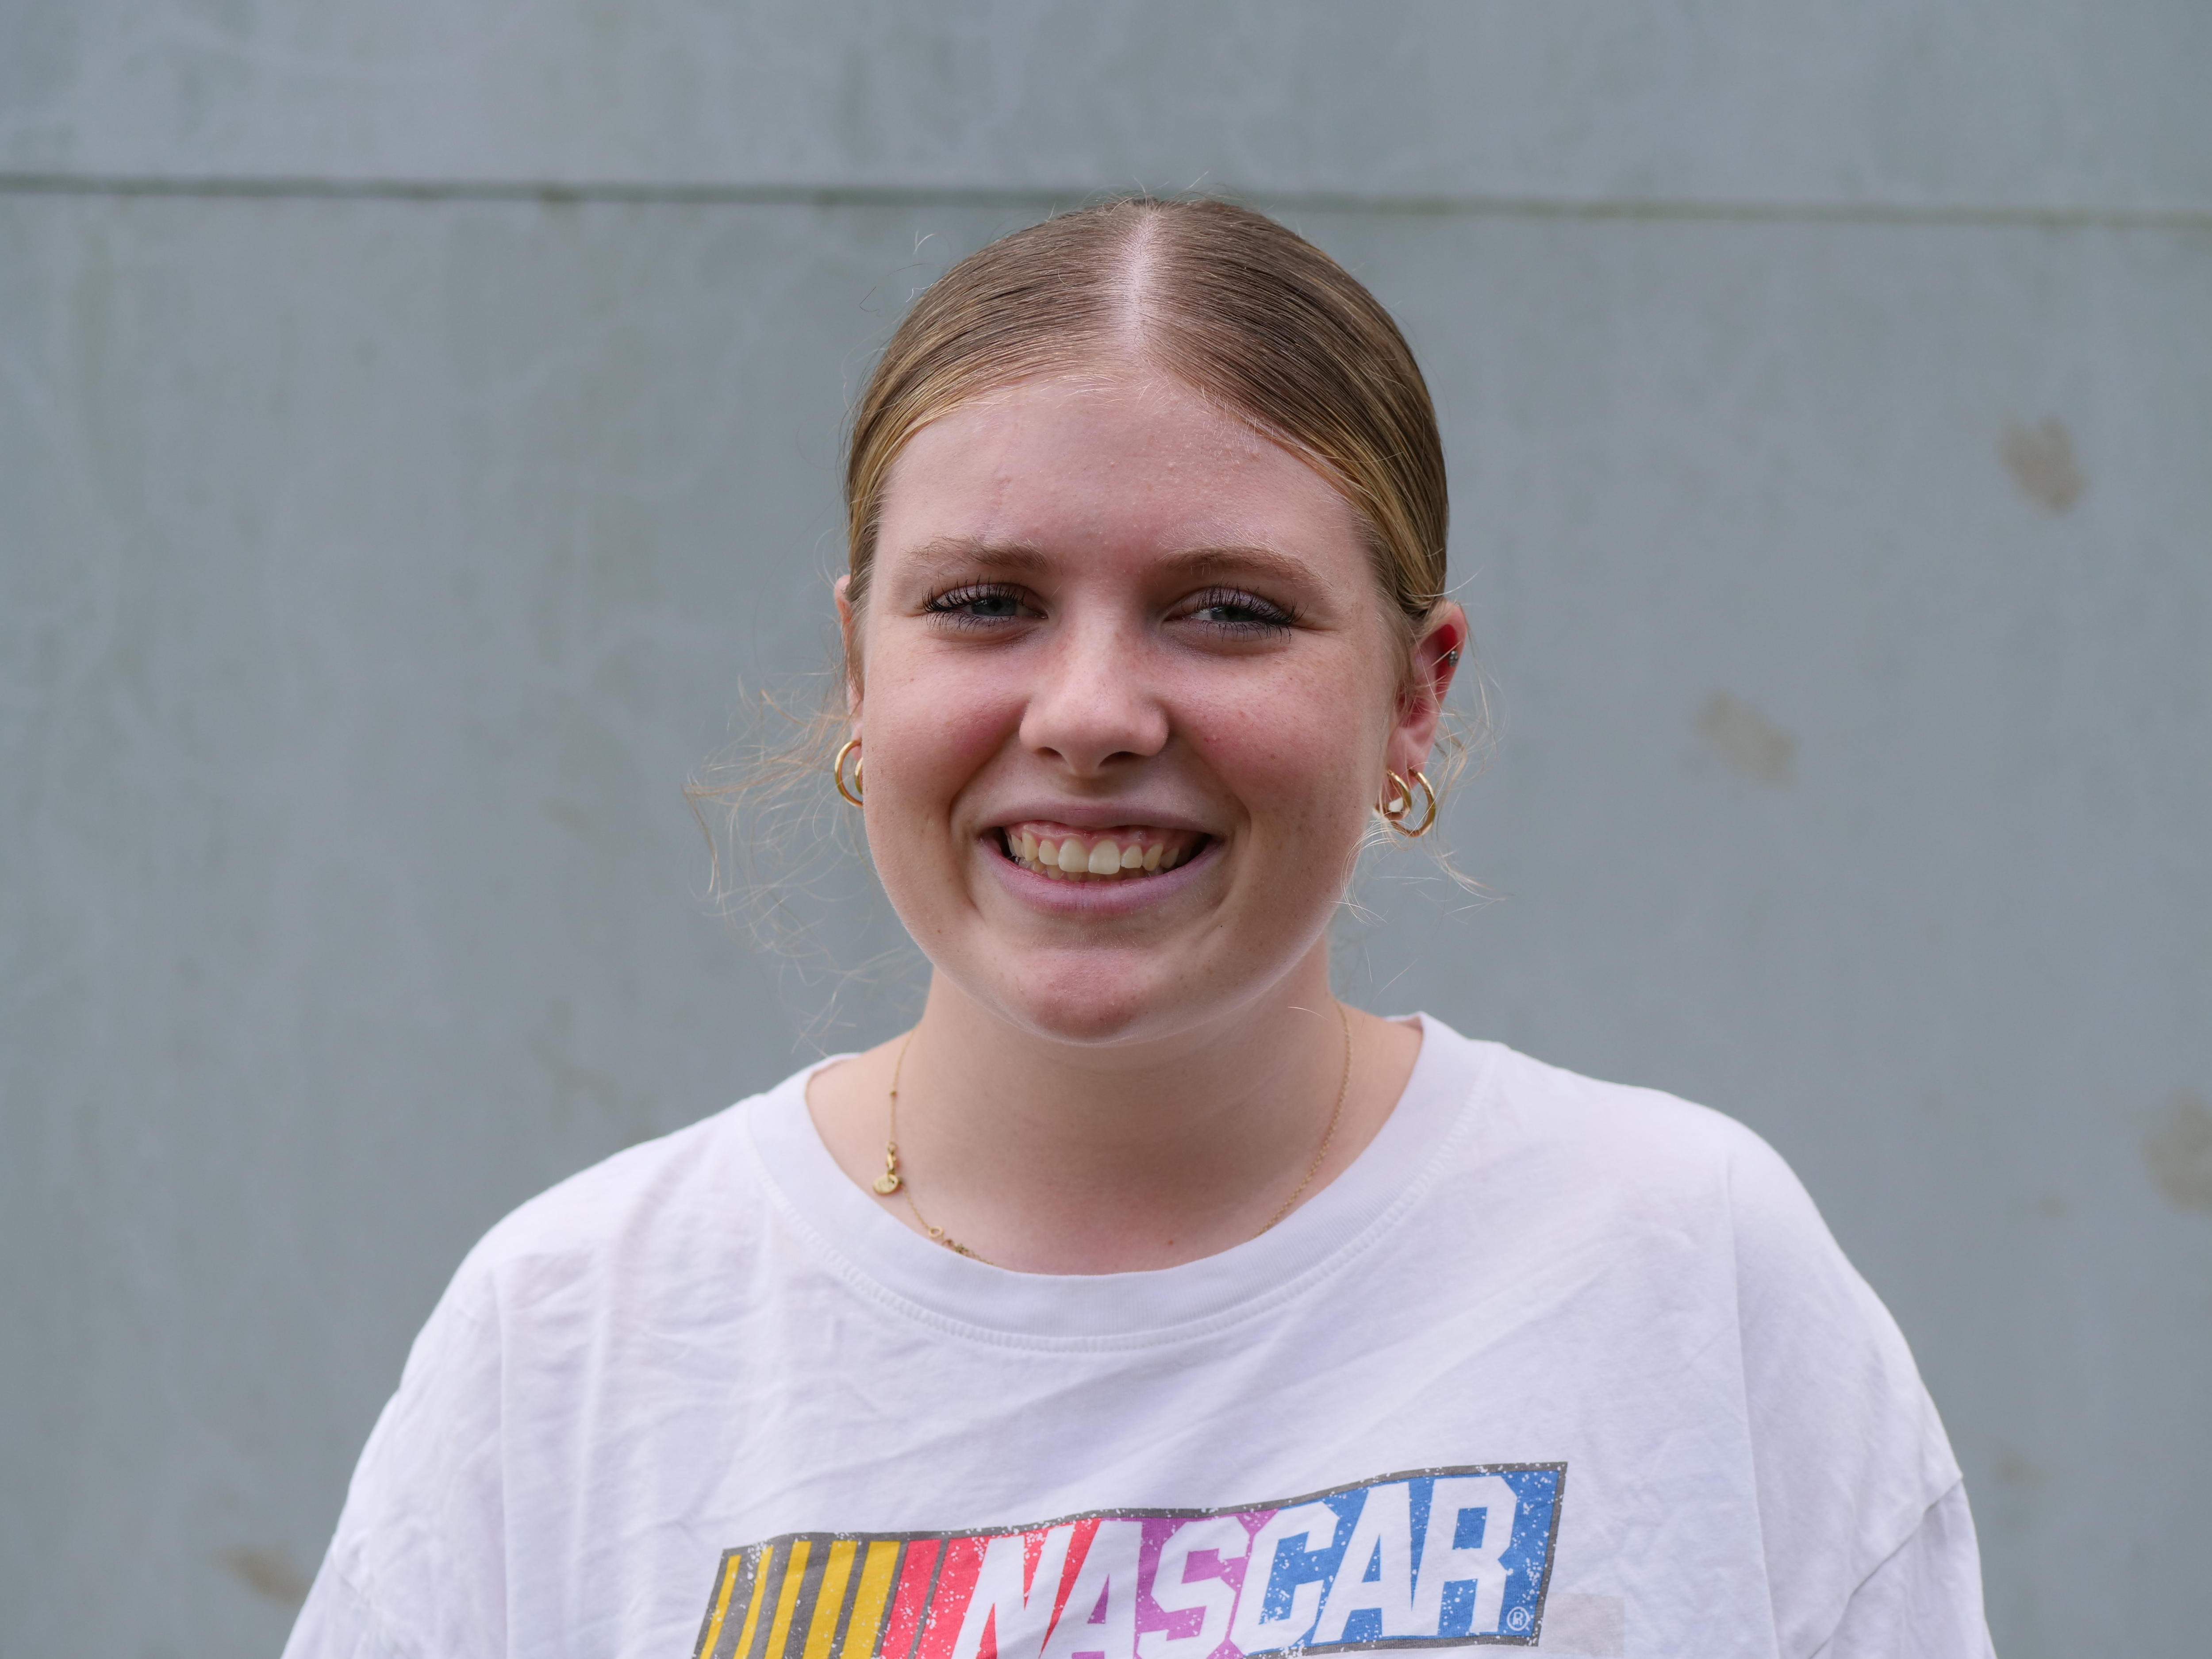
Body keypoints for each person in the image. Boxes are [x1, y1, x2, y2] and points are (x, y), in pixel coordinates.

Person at [285, 199, 1994, 1659]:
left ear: (1415, 693)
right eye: (986, 605)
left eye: (1228, 612)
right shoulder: (578, 1331)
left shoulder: (1682, 1269)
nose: (1092, 713)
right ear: (860, 672)